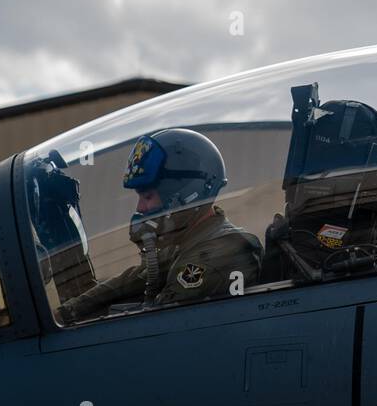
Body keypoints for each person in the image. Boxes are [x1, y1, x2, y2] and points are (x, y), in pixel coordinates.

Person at [59, 128, 261, 323]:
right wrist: (68, 312)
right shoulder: (186, 242)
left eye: (148, 196)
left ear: (186, 196)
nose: (140, 207)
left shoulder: (217, 256)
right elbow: (132, 280)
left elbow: (157, 325)